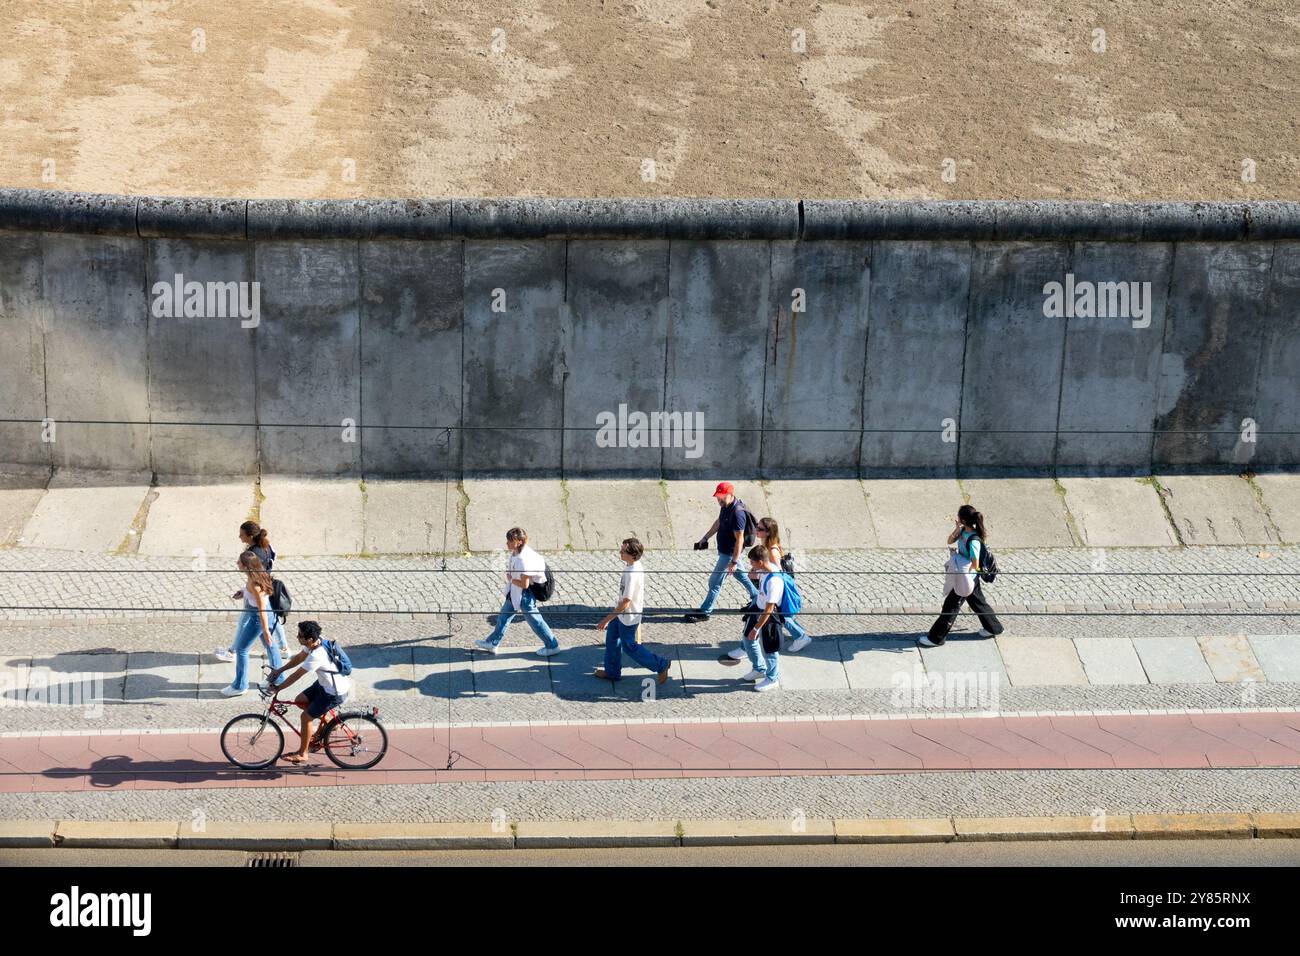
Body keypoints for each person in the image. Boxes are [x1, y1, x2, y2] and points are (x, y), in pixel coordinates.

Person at [265, 620, 352, 765]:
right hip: (325, 684)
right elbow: (299, 658)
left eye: (300, 635)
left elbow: (297, 675)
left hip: (333, 692)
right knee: (300, 700)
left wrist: (278, 688)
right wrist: (279, 670)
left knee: (305, 717)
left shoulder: (317, 655)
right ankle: (329, 724)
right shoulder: (317, 641)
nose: (297, 637)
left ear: (309, 639)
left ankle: (303, 753)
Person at [919, 504, 1004, 647]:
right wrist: (957, 528)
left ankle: (936, 638)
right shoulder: (964, 530)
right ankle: (994, 628)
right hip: (966, 575)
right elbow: (950, 541)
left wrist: (965, 575)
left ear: (964, 520)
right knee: (978, 603)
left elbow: (975, 563)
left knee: (951, 606)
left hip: (966, 577)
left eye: (959, 517)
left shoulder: (974, 540)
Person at [593, 537, 670, 684]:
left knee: (629, 647)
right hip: (621, 615)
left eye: (623, 550)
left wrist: (606, 620)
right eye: (621, 548)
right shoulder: (632, 565)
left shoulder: (632, 573)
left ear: (633, 555)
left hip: (627, 617)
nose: (620, 552)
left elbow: (626, 602)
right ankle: (612, 672)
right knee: (612, 641)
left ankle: (661, 665)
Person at [474, 527, 561, 657]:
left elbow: (524, 584)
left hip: (524, 593)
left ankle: (552, 646)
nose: (507, 543)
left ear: (519, 542)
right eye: (507, 540)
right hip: (516, 591)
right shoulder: (517, 551)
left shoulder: (523, 560)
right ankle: (493, 642)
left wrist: (511, 579)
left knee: (535, 621)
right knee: (504, 616)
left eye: (510, 540)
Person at [683, 482, 759, 625]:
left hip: (729, 554)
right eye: (717, 497)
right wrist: (705, 538)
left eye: (721, 497)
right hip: (727, 553)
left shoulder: (738, 514)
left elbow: (740, 539)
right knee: (742, 576)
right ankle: (757, 597)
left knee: (714, 582)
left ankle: (705, 612)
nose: (719, 500)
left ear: (730, 494)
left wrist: (734, 561)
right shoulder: (726, 507)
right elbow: (718, 522)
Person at [214, 521, 285, 660]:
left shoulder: (253, 554)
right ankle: (284, 647)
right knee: (273, 619)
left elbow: (254, 577)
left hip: (259, 591)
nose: (239, 537)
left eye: (242, 534)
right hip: (266, 586)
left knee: (246, 622)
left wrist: (247, 591)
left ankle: (233, 651)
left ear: (250, 536)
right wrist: (244, 590)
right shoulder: (266, 545)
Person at [218, 550, 285, 697]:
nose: (237, 563)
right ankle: (279, 678)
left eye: (239, 562)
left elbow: (261, 609)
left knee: (241, 650)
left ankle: (240, 685)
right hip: (266, 614)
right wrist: (243, 592)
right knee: (271, 646)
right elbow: (256, 597)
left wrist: (266, 630)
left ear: (246, 566)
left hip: (259, 618)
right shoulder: (256, 575)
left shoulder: (255, 584)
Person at [752, 517, 811, 652]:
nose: (756, 530)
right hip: (770, 585)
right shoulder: (768, 546)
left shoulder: (772, 550)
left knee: (782, 614)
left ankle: (801, 637)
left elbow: (776, 571)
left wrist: (759, 574)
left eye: (760, 529)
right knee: (782, 614)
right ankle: (800, 635)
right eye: (757, 526)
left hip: (777, 587)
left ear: (768, 532)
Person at [741, 544, 784, 692]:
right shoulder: (765, 569)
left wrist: (756, 628)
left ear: (760, 562)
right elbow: (754, 575)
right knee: (747, 639)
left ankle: (773, 678)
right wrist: (755, 573)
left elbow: (769, 610)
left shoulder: (774, 581)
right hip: (757, 608)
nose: (751, 566)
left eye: (752, 562)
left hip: (768, 617)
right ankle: (759, 668)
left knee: (769, 649)